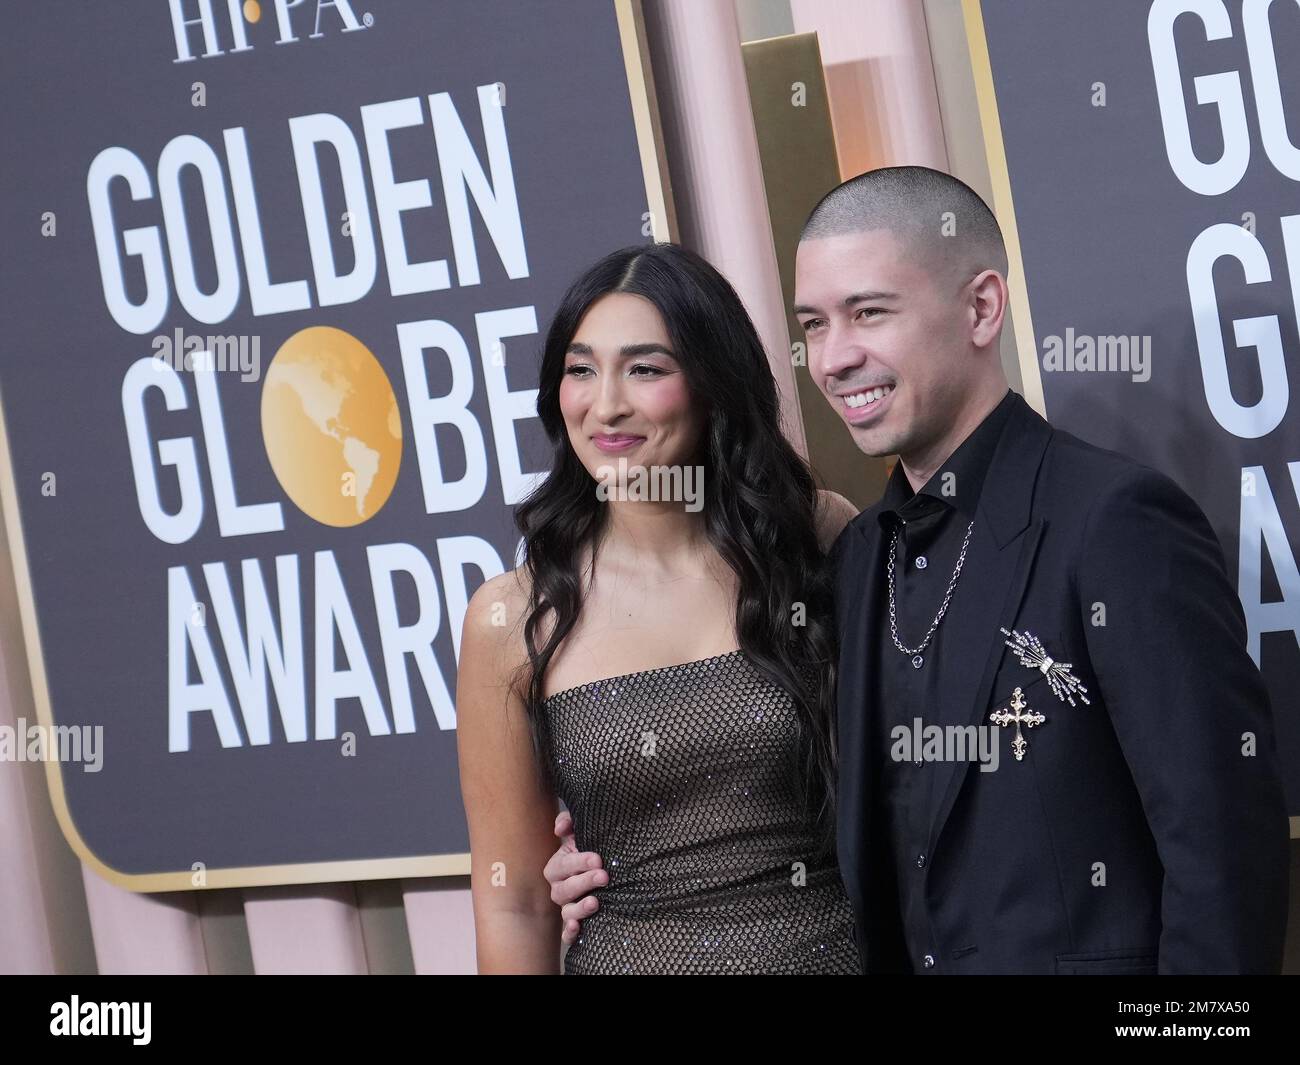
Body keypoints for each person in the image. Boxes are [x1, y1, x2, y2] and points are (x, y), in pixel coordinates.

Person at [546, 166, 1290, 974]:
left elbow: (1223, 846)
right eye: (814, 324)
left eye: (869, 313)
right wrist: (612, 861)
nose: (834, 357)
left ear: (981, 308)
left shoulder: (1113, 522)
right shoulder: (852, 555)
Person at [456, 241, 862, 974]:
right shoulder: (511, 618)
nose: (606, 404)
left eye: (644, 368)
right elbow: (512, 899)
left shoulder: (819, 537)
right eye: (581, 369)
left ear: (713, 384)